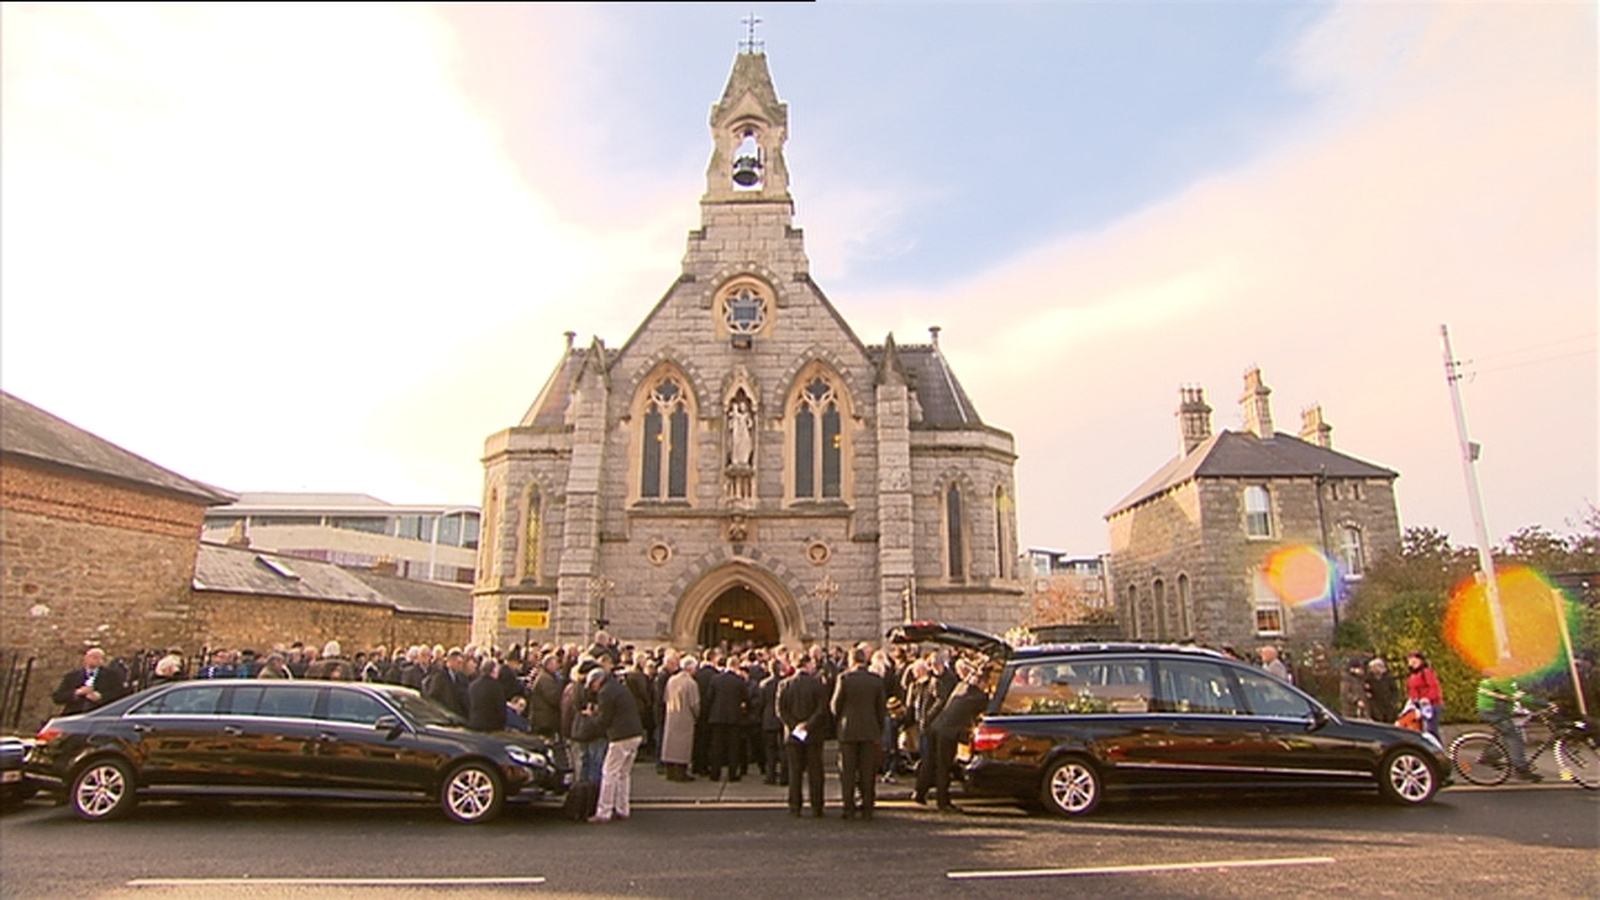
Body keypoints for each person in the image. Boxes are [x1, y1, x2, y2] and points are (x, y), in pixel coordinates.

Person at [831, 646, 887, 820]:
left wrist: (841, 720)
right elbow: (881, 708)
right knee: (867, 771)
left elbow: (835, 705)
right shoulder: (876, 680)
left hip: (848, 731)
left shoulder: (844, 678)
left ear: (851, 660)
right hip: (870, 730)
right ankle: (868, 807)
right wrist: (878, 728)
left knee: (848, 772)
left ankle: (848, 807)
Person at [929, 658, 990, 813]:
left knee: (938, 765)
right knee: (944, 767)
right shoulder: (978, 697)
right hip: (947, 733)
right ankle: (943, 802)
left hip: (938, 727)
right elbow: (987, 706)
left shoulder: (961, 687)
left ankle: (930, 795)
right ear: (982, 684)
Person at [589, 665, 645, 823]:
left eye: (593, 685)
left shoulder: (605, 692)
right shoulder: (619, 687)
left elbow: (604, 720)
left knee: (609, 772)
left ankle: (604, 811)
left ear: (598, 680)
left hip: (620, 736)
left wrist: (592, 717)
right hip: (635, 733)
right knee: (623, 774)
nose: (593, 689)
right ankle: (623, 808)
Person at [777, 653, 830, 817]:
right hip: (813, 734)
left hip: (793, 735)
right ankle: (817, 806)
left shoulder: (784, 684)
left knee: (795, 772)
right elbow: (822, 709)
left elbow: (780, 711)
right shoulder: (817, 684)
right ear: (807, 665)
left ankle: (795, 806)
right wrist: (807, 726)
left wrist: (795, 726)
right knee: (815, 772)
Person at [1477, 675, 1540, 781]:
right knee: (1514, 737)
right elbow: (1516, 696)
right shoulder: (1501, 679)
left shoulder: (1505, 678)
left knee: (1506, 735)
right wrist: (1545, 704)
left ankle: (1489, 757)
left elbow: (1519, 694)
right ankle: (1521, 769)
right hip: (1493, 712)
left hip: (1499, 710)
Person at [660, 657, 700, 782]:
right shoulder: (691, 683)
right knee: (683, 747)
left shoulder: (671, 680)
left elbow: (665, 697)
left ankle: (670, 771)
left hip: (672, 715)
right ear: (691, 668)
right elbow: (694, 703)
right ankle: (681, 773)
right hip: (685, 717)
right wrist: (696, 715)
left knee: (671, 744)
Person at [52, 648, 126, 715]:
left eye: (99, 658)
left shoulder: (112, 675)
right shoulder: (72, 677)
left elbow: (121, 694)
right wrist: (77, 692)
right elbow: (58, 697)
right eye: (94, 657)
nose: (97, 660)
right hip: (75, 714)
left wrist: (101, 697)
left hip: (101, 714)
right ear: (86, 659)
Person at [1404, 651, 1444, 742]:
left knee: (1431, 729)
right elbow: (1412, 690)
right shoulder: (1412, 675)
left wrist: (1427, 698)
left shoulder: (1426, 672)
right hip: (1419, 705)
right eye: (1410, 662)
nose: (1411, 664)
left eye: (1414, 662)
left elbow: (1434, 687)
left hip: (1431, 704)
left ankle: (1438, 749)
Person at [467, 660, 509, 732]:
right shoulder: (496, 686)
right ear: (494, 671)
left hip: (475, 723)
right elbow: (500, 708)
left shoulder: (473, 685)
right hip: (492, 726)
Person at [1365, 657, 1399, 723]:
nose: (1373, 669)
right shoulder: (1369, 678)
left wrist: (1393, 701)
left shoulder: (1388, 677)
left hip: (1388, 704)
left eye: (1375, 667)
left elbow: (1394, 690)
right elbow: (1366, 689)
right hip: (1376, 705)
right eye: (1372, 667)